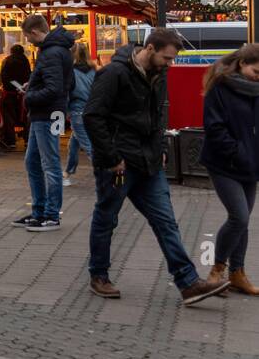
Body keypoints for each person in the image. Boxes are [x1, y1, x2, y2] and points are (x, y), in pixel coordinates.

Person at [84, 28, 228, 305]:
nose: (170, 64)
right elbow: (93, 116)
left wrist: (161, 149)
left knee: (166, 222)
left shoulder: (159, 74)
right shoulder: (113, 74)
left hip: (148, 161)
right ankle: (98, 276)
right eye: (167, 58)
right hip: (119, 164)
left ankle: (188, 283)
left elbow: (161, 112)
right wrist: (112, 158)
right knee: (106, 219)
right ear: (150, 49)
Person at [200, 43, 259, 296]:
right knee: (239, 217)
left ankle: (237, 273)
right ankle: (216, 270)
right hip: (225, 163)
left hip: (252, 164)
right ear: (242, 64)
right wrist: (238, 152)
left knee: (242, 220)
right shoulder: (221, 87)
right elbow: (214, 128)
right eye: (256, 72)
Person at [18, 14, 74, 232]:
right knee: (32, 161)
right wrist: (32, 83)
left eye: (26, 36)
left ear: (34, 32)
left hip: (47, 114)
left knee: (49, 164)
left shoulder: (51, 52)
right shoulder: (57, 49)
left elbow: (54, 88)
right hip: (49, 113)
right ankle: (39, 211)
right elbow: (63, 82)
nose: (27, 41)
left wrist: (29, 95)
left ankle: (51, 215)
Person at [64, 45, 96, 187]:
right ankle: (67, 172)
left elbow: (67, 94)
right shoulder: (94, 71)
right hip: (91, 112)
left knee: (88, 146)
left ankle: (106, 174)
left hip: (77, 112)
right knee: (74, 144)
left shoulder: (71, 72)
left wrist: (65, 111)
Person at [0, 44, 32, 149]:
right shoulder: (25, 61)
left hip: (9, 94)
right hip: (23, 94)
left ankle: (10, 141)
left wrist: (14, 86)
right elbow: (28, 76)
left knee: (9, 118)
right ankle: (27, 140)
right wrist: (20, 87)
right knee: (26, 118)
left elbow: (4, 77)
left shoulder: (7, 61)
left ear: (11, 51)